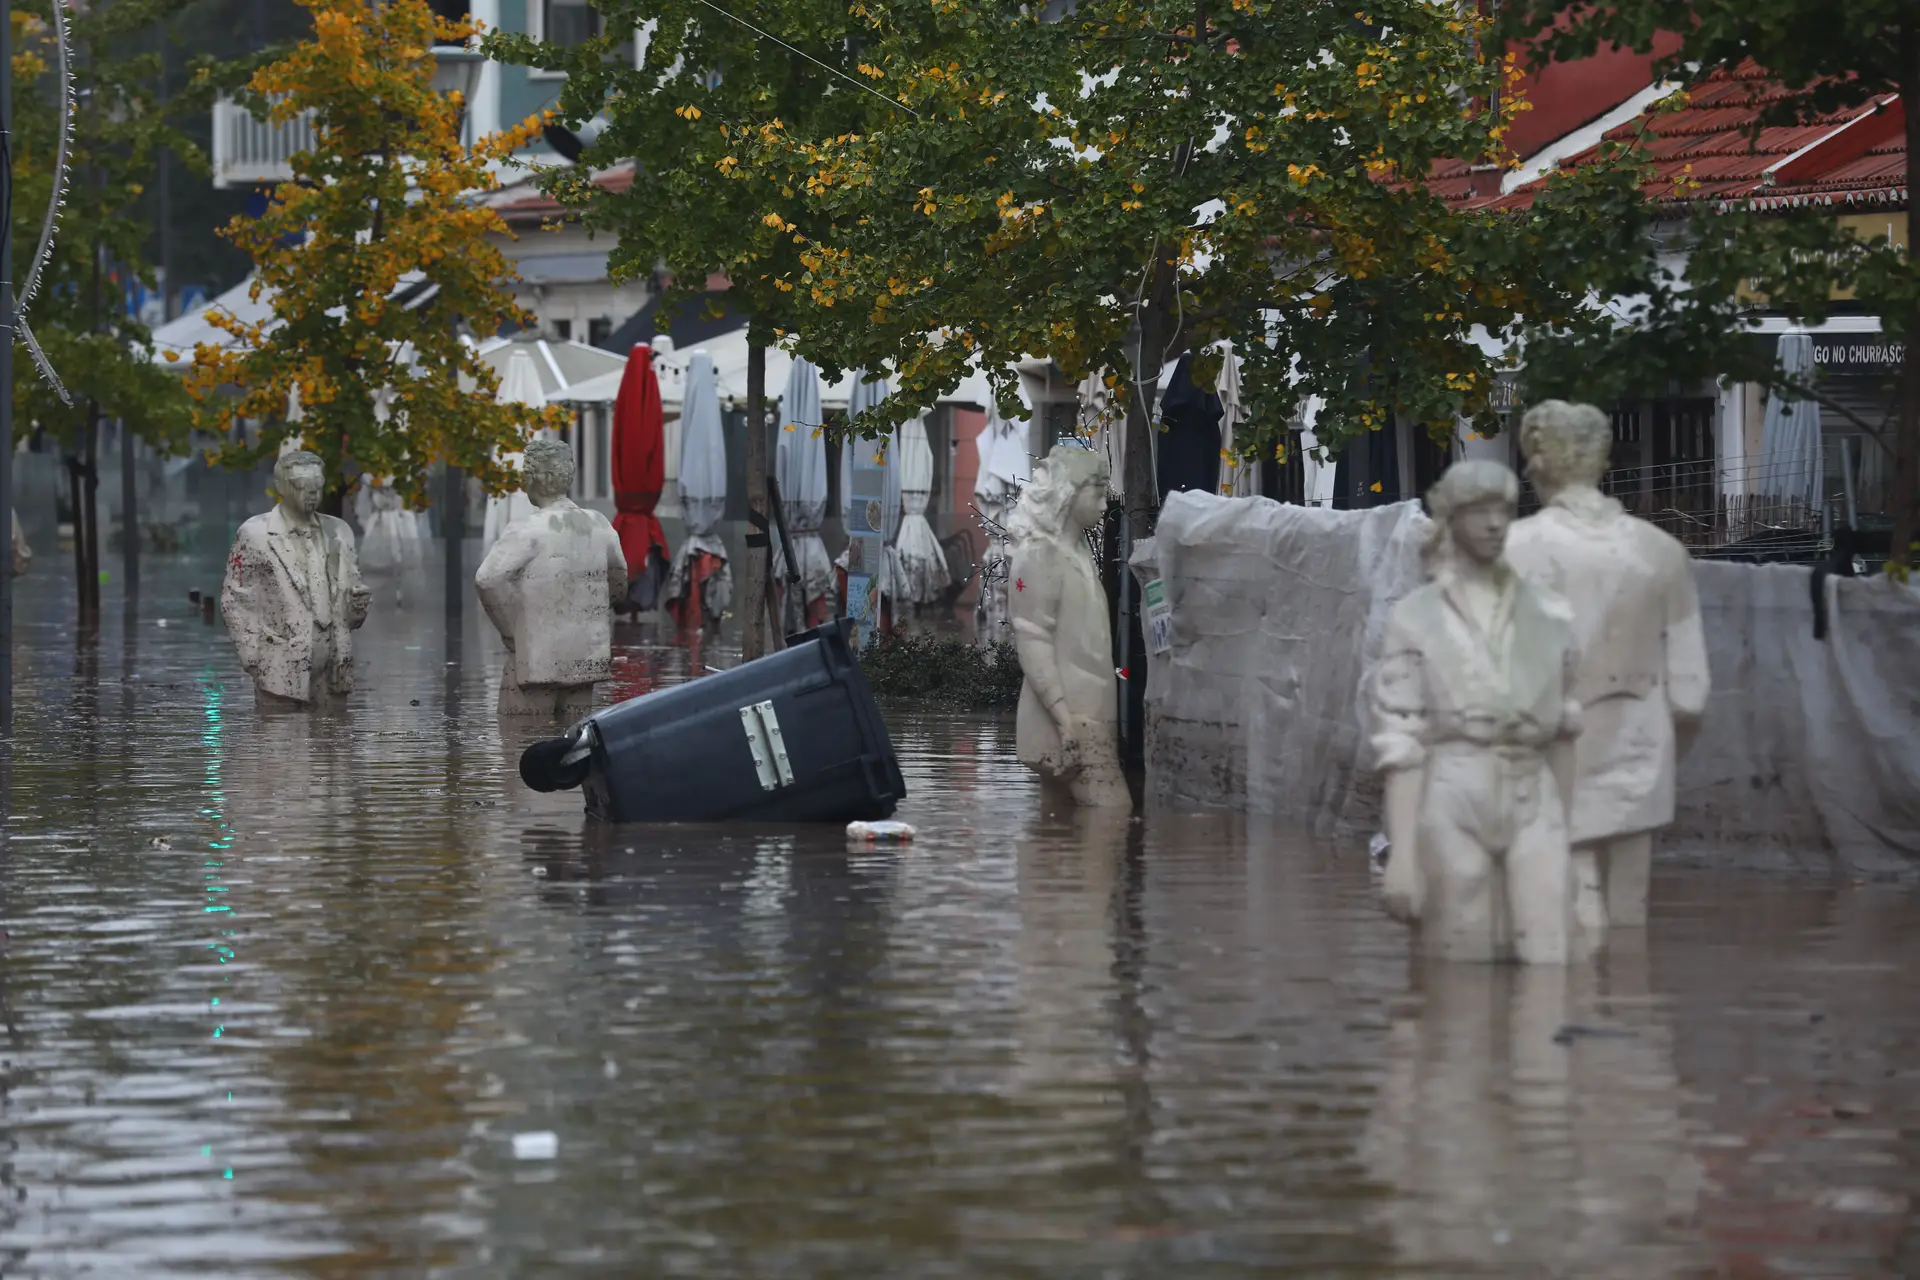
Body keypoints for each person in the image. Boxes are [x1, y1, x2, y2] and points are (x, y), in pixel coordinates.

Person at [1505, 400, 1710, 934]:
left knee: (1567, 913)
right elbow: (1691, 696)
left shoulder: (1514, 552)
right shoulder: (1663, 553)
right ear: (1602, 461)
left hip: (1547, 757)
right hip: (1641, 754)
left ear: (1538, 464)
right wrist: (1661, 751)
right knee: (1628, 918)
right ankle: (1629, 986)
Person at [1369, 460, 1584, 964]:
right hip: (1455, 787)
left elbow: (1566, 732)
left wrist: (1574, 845)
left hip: (1534, 792)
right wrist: (1403, 857)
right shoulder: (1415, 617)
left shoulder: (1550, 613)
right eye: (1479, 511)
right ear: (1451, 517)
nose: (1494, 524)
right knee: (1459, 961)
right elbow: (1403, 743)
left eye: (1504, 510)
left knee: (1547, 955)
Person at [1007, 444, 1128, 808]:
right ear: (1069, 491)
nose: (1105, 505)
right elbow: (1032, 640)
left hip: (1085, 713)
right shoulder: (1038, 556)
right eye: (1097, 491)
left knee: (1056, 821)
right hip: (1075, 721)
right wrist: (1063, 719)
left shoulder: (1077, 554)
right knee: (1112, 814)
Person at [475, 438, 627, 720]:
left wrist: (512, 630)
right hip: (585, 658)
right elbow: (618, 583)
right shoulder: (600, 524)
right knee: (575, 739)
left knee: (522, 741)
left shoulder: (526, 529)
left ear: (533, 478)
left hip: (534, 658)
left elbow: (487, 580)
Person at [221, 450, 372, 708]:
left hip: (334, 669)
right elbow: (235, 601)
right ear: (281, 487)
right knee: (280, 731)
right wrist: (253, 659)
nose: (312, 493)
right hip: (278, 670)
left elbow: (350, 613)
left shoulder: (340, 532)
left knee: (335, 732)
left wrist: (357, 606)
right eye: (302, 485)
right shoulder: (255, 534)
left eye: (317, 485)